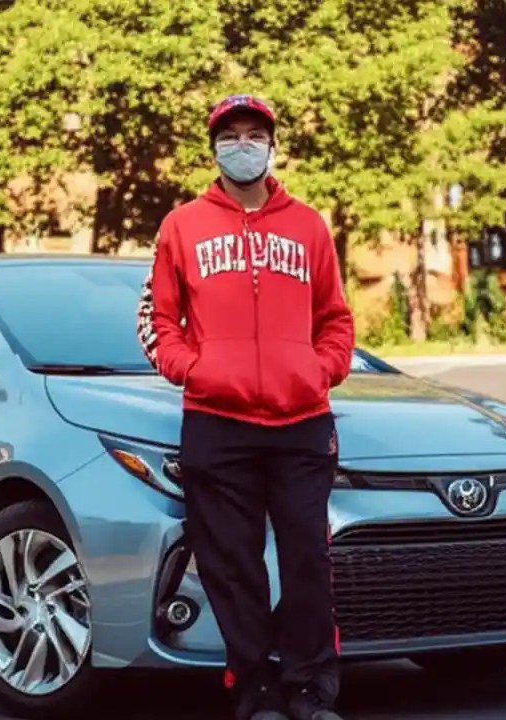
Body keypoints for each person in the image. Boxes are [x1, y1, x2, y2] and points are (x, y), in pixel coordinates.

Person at [136, 94, 355, 720]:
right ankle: (254, 690)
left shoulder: (308, 225)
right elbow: (158, 319)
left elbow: (336, 319)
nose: (242, 143)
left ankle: (312, 692)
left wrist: (319, 371)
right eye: (229, 134)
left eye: (253, 133)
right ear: (213, 147)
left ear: (271, 144)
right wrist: (195, 370)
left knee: (308, 562)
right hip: (217, 423)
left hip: (301, 423)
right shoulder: (183, 225)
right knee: (233, 568)